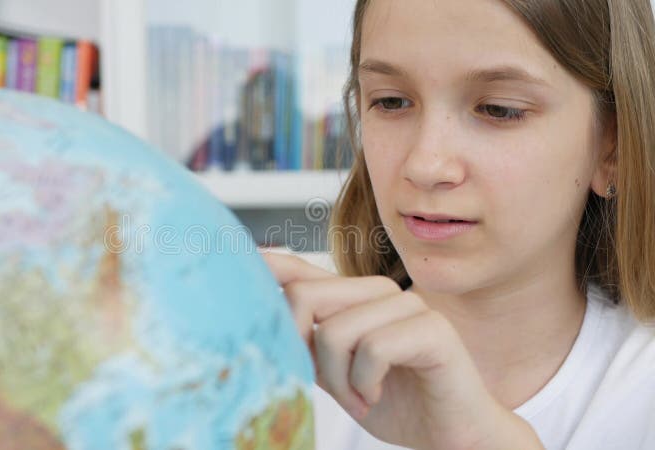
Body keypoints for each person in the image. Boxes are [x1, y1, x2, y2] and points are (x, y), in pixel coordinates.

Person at [262, 0, 655, 448]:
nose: (426, 165)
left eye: (499, 109)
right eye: (390, 101)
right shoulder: (276, 391)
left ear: (614, 147)